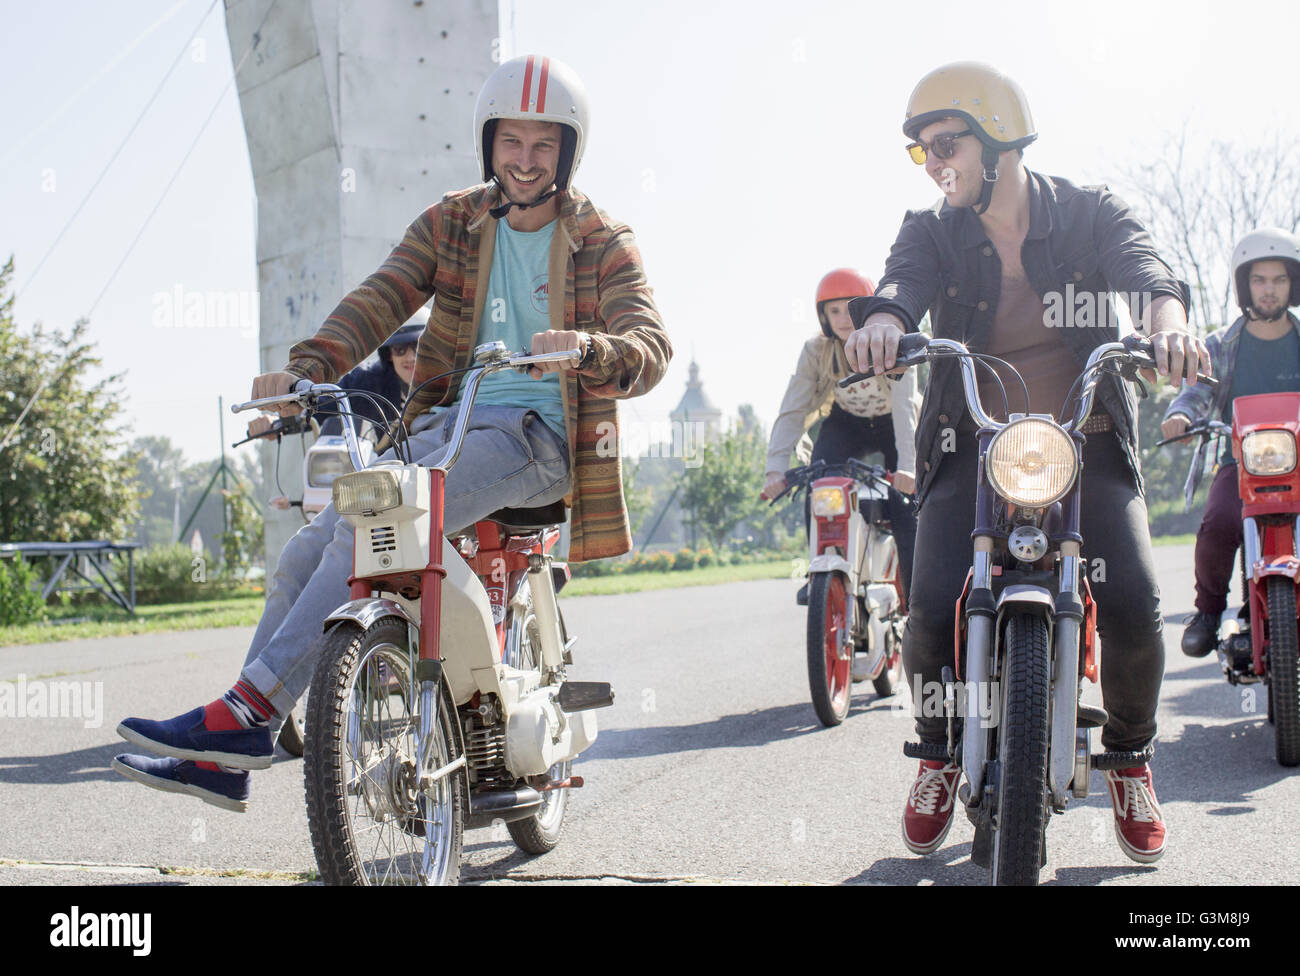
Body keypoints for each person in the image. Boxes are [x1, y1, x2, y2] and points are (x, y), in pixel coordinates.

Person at [112, 54, 671, 811]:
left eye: (544, 146)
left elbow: (649, 343)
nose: (526, 161)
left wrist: (593, 349)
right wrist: (306, 370)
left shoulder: (602, 237)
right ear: (489, 143)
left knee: (381, 514)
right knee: (313, 544)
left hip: (538, 436)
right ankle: (235, 751)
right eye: (512, 143)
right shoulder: (454, 221)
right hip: (448, 422)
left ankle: (246, 713)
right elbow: (381, 296)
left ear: (567, 153)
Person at [843, 62, 1208, 865]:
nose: (936, 162)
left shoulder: (1086, 212)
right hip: (972, 442)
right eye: (922, 151)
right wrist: (881, 323)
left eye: (948, 144)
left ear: (1000, 140)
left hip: (1085, 437)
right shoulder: (932, 229)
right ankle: (939, 750)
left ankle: (1128, 758)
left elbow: (1144, 267)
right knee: (934, 602)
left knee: (1139, 601)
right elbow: (899, 286)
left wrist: (1168, 318)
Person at [1163, 228, 1300, 656]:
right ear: (1245, 285)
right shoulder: (1222, 344)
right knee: (1219, 520)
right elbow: (1196, 390)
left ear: (1292, 284)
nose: (1269, 289)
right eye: (1259, 280)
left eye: (1278, 280)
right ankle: (1207, 613)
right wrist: (1180, 415)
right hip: (1240, 464)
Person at [763, 268, 920, 599]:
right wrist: (775, 468)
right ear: (823, 316)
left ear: (866, 310)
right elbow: (793, 409)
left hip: (893, 425)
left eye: (850, 308)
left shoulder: (892, 345)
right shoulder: (815, 351)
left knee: (905, 503)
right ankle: (821, 568)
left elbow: (906, 408)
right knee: (821, 481)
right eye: (833, 311)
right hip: (846, 422)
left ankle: (915, 589)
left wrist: (909, 466)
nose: (843, 319)